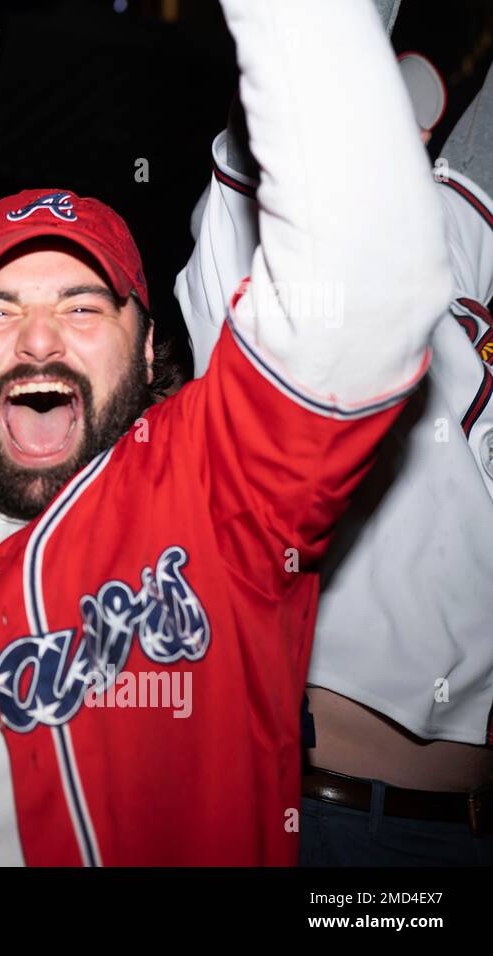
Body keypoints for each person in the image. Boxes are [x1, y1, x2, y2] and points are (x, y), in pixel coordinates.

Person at [0, 0, 451, 865]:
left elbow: (362, 301)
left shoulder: (210, 490)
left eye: (83, 307)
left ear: (150, 346)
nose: (38, 338)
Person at [176, 0, 493, 865]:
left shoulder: (453, 256)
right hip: (323, 821)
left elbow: (483, 158)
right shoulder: (270, 284)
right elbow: (301, 51)